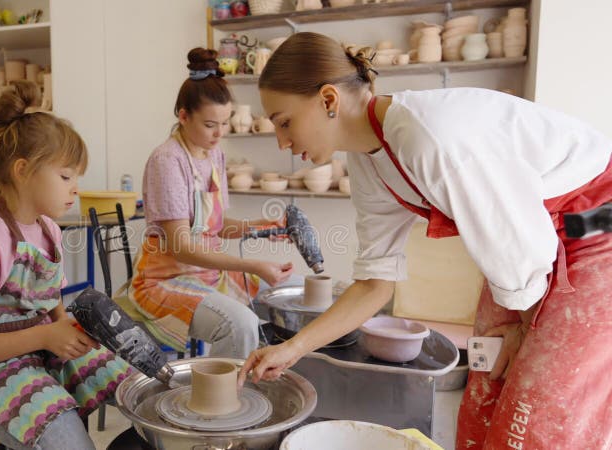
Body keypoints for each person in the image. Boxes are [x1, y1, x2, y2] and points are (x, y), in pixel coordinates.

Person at [237, 32, 612, 449]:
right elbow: (374, 283)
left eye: (284, 122)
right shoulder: (368, 160)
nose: (282, 142)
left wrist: (526, 330)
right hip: (529, 243)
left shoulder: (428, 137)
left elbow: (520, 254)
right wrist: (292, 349)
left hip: (594, 226)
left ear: (328, 100)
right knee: (486, 391)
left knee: (533, 418)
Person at [0, 81, 131, 450]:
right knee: (72, 444)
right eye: (66, 176)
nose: (75, 189)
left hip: (38, 352)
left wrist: (66, 328)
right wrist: (45, 336)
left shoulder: (47, 228)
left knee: (139, 391)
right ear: (22, 170)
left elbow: (50, 300)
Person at [129, 48, 295, 358]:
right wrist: (254, 265)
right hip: (166, 280)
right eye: (209, 125)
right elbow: (182, 248)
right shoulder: (168, 161)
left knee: (292, 292)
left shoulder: (214, 155)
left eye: (225, 122)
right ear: (183, 116)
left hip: (208, 274)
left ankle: (261, 377)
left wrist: (260, 228)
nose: (220, 133)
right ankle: (223, 389)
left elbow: (214, 227)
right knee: (241, 324)